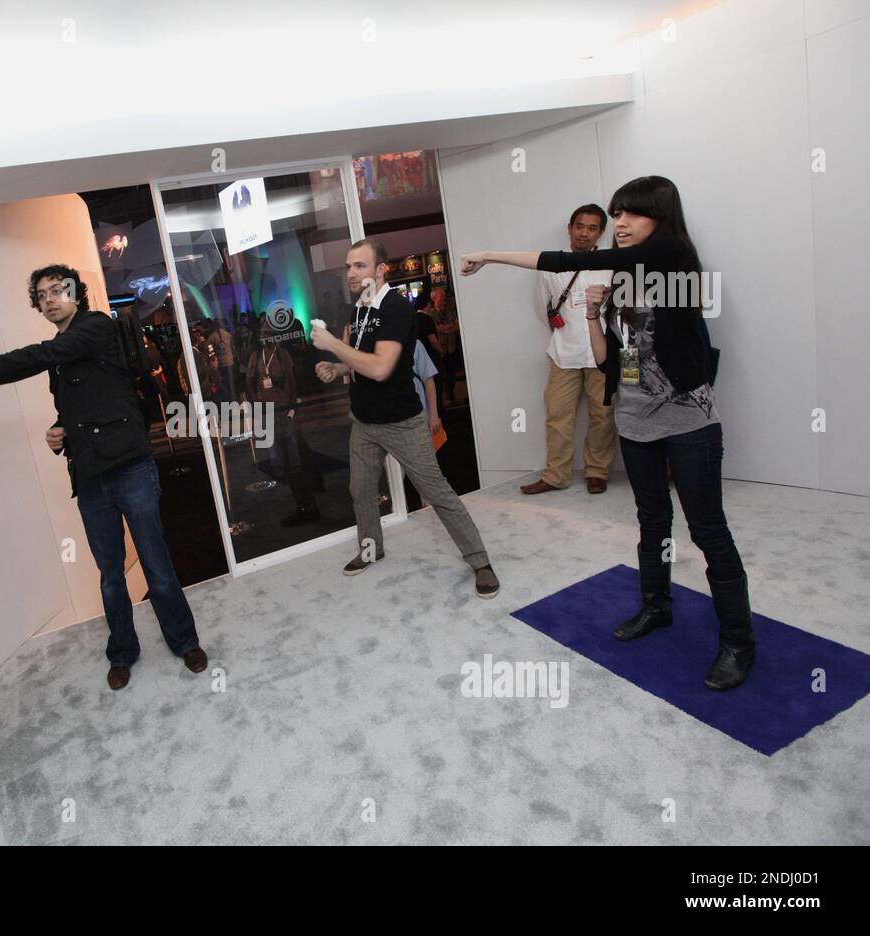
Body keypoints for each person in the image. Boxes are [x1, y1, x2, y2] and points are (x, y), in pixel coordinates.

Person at [459, 175, 754, 690]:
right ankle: (656, 606)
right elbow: (615, 356)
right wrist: (596, 315)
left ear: (660, 218)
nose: (620, 224)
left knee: (708, 531)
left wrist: (490, 253)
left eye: (631, 214)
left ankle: (737, 642)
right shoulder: (624, 273)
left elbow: (567, 261)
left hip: (687, 419)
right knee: (650, 519)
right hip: (637, 417)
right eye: (617, 215)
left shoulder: (672, 257)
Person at [0, 264, 207, 691]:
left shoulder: (95, 327)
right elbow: (82, 403)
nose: (51, 299)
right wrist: (59, 433)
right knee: (111, 574)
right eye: (42, 295)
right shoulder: (63, 352)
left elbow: (39, 355)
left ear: (77, 292)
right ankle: (122, 653)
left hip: (131, 468)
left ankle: (184, 641)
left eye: (59, 290)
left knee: (156, 564)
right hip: (92, 478)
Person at [311, 238, 499, 597]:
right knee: (361, 490)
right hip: (365, 423)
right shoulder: (359, 309)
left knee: (437, 492)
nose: (351, 272)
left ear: (381, 270)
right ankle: (371, 549)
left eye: (360, 266)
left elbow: (381, 368)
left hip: (402, 422)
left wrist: (334, 345)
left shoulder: (396, 308)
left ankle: (480, 562)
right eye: (349, 266)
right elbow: (361, 362)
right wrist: (337, 368)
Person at [520, 204, 617, 496]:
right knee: (558, 414)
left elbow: (618, 309)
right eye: (580, 226)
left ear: (601, 232)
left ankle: (597, 472)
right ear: (570, 228)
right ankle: (556, 475)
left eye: (592, 228)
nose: (584, 233)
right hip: (563, 352)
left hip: (602, 353)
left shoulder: (612, 263)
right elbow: (542, 309)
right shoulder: (550, 264)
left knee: (603, 414)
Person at [245, 315, 320, 526]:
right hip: (269, 410)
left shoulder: (283, 354)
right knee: (277, 447)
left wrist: (292, 406)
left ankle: (302, 482)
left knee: (293, 445)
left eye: (269, 334)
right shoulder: (256, 357)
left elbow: (292, 379)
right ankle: (288, 478)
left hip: (284, 408)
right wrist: (256, 399)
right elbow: (249, 381)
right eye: (263, 335)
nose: (265, 337)